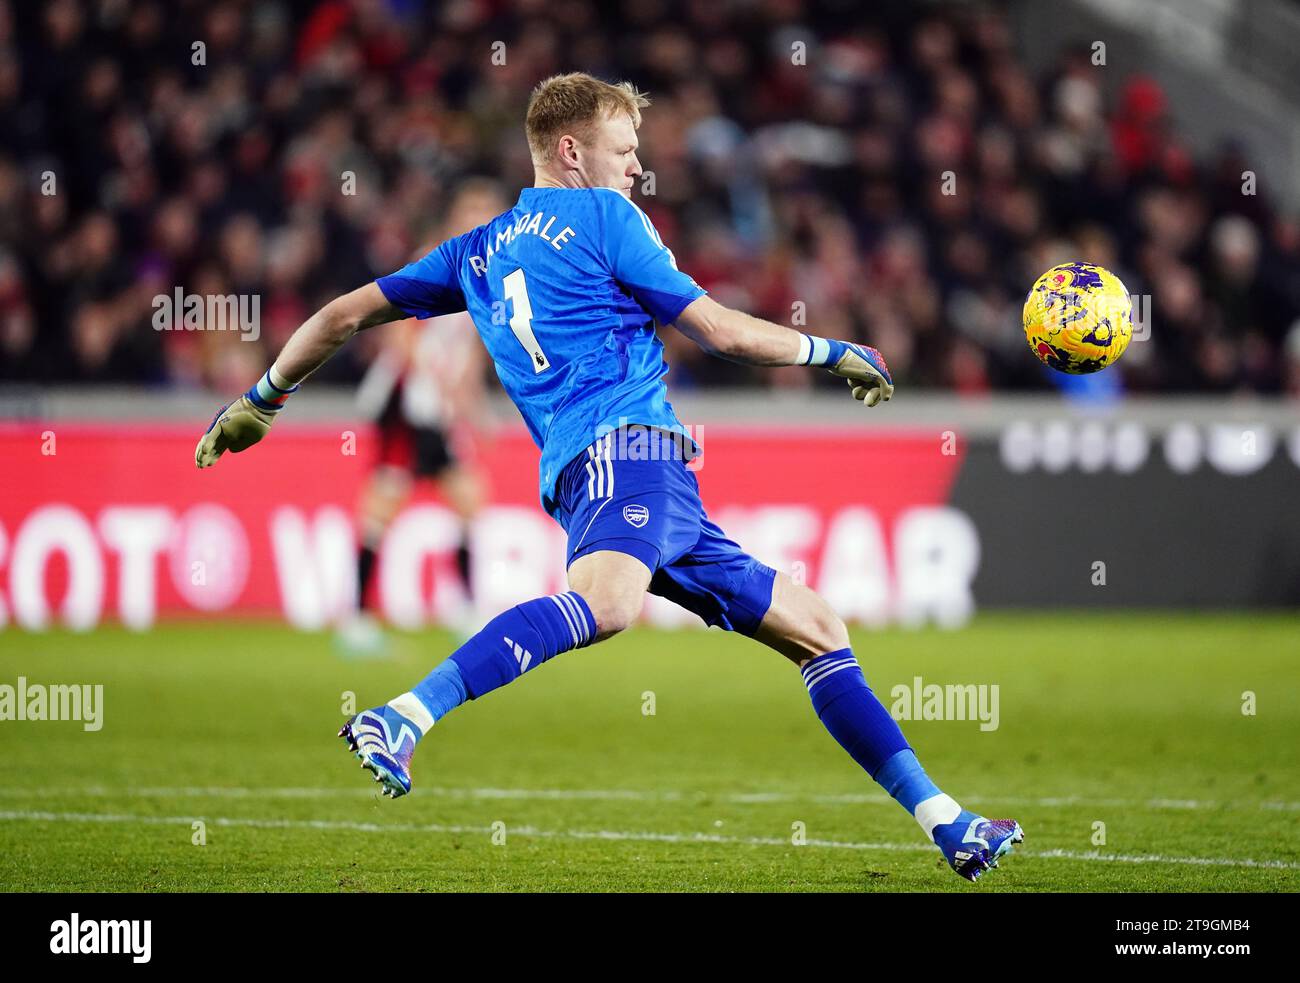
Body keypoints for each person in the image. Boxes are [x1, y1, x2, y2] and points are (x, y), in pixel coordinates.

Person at [194, 73, 1022, 881]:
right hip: (631, 456)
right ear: (571, 151)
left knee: (818, 629)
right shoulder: (605, 215)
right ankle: (403, 715)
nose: (636, 166)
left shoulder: (475, 252)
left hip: (615, 478)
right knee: (609, 605)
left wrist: (262, 398)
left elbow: (342, 314)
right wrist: (832, 350)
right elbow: (714, 328)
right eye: (624, 149)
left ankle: (947, 821)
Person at [338, 181, 500, 653]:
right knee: (382, 504)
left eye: (488, 210)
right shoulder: (435, 259)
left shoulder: (489, 272)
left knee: (469, 499)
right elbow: (400, 331)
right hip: (404, 403)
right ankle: (357, 621)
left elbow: (469, 349)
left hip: (438, 410)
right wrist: (434, 379)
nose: (482, 218)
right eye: (473, 209)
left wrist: (475, 411)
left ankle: (465, 610)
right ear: (456, 215)